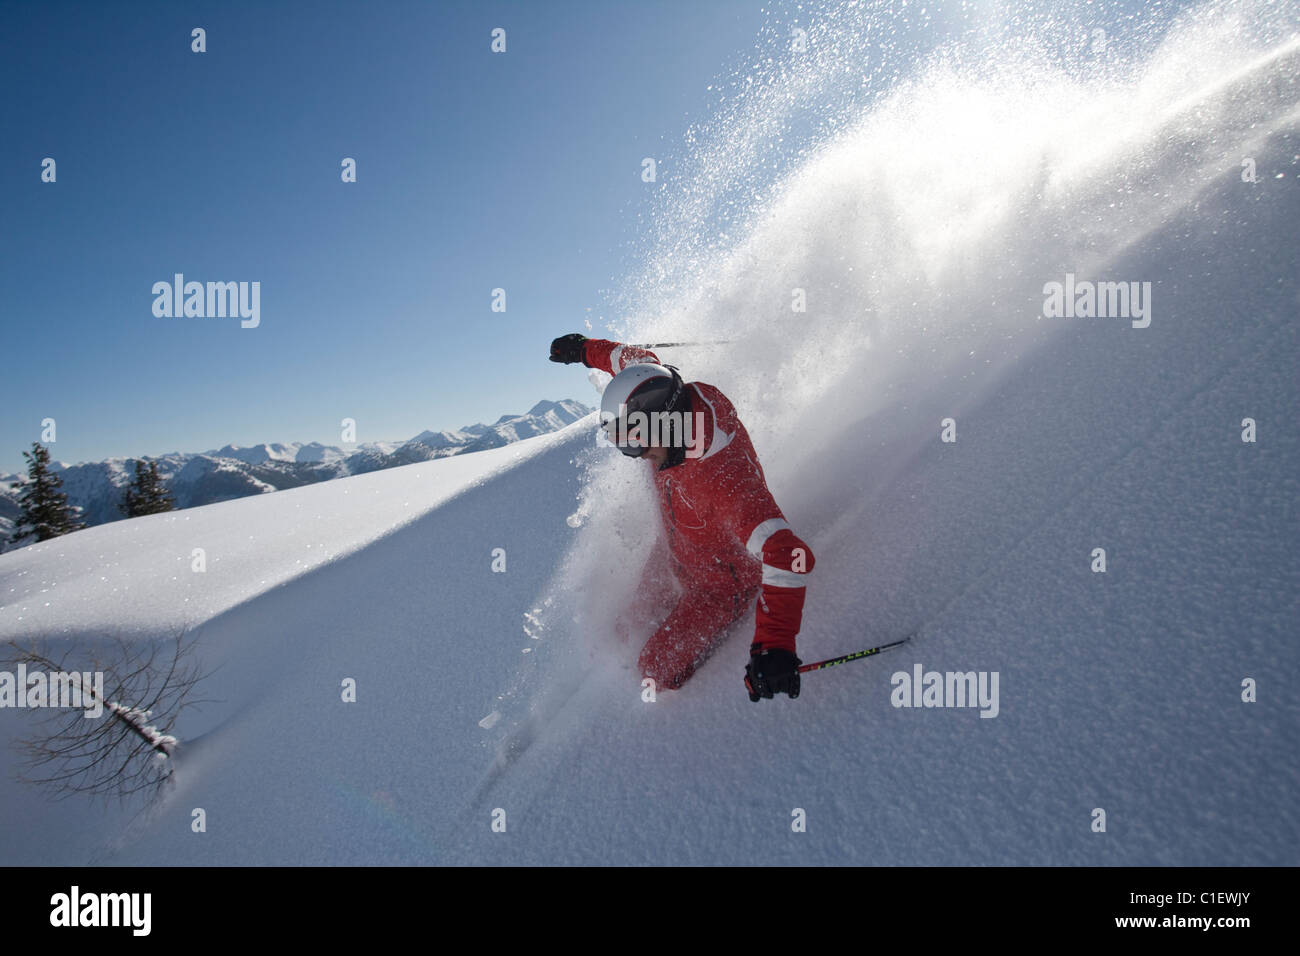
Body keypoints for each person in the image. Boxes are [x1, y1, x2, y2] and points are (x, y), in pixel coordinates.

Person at [549, 332, 815, 701]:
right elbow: (627, 359)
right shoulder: (662, 395)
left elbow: (788, 555)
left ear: (666, 423)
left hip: (719, 586)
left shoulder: (723, 478)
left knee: (654, 670)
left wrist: (775, 647)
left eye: (635, 442)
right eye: (623, 444)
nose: (634, 454)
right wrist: (583, 349)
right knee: (623, 629)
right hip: (674, 552)